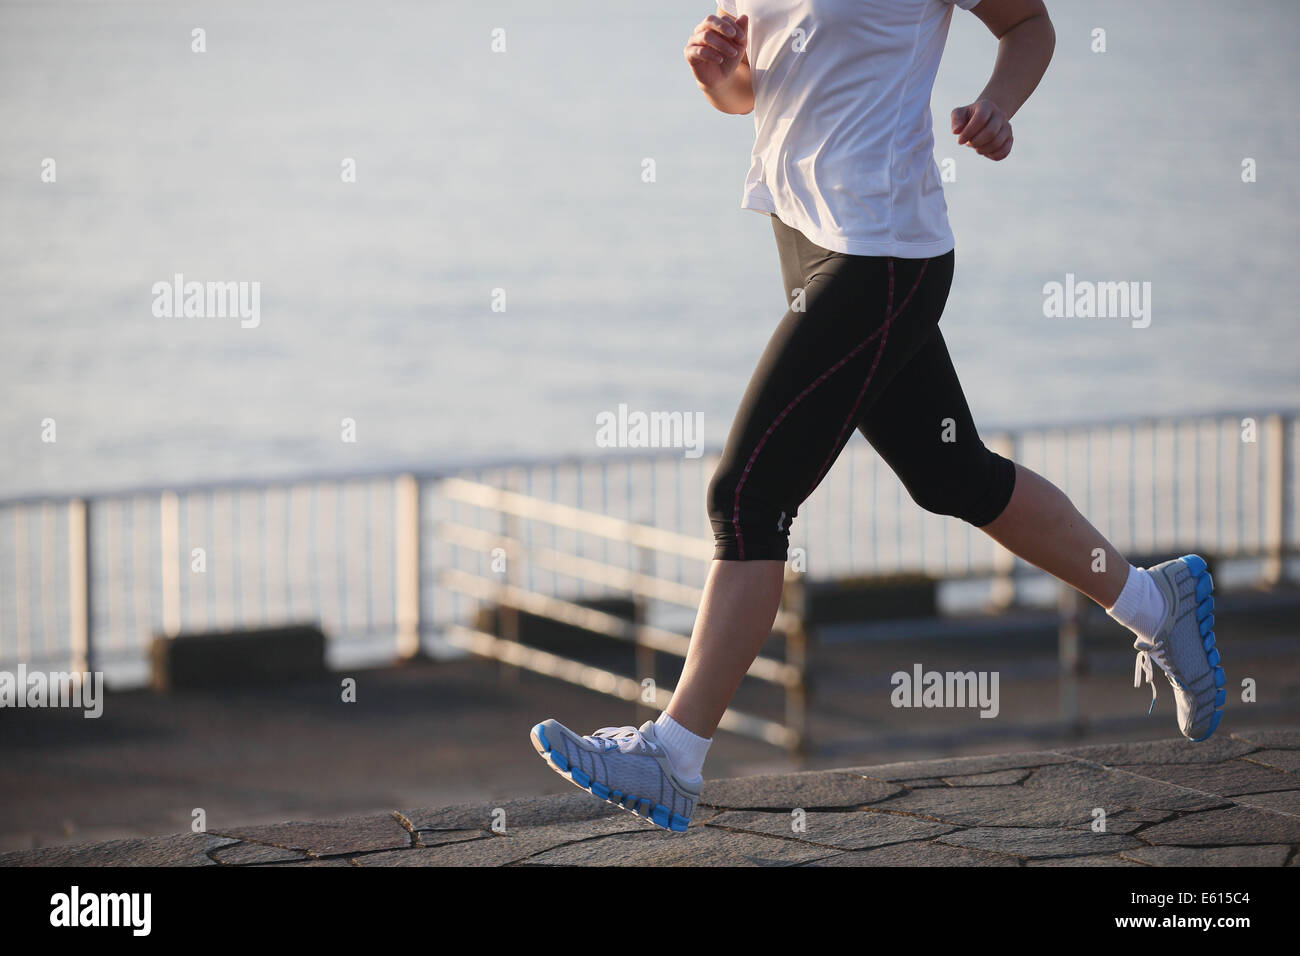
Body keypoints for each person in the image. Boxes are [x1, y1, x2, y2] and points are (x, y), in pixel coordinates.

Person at [529, 0, 1224, 833]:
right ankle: (1157, 602)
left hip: (880, 253)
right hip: (807, 239)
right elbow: (759, 86)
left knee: (748, 496)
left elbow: (1027, 24)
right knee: (952, 472)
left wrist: (998, 104)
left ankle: (672, 755)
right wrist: (721, 79)